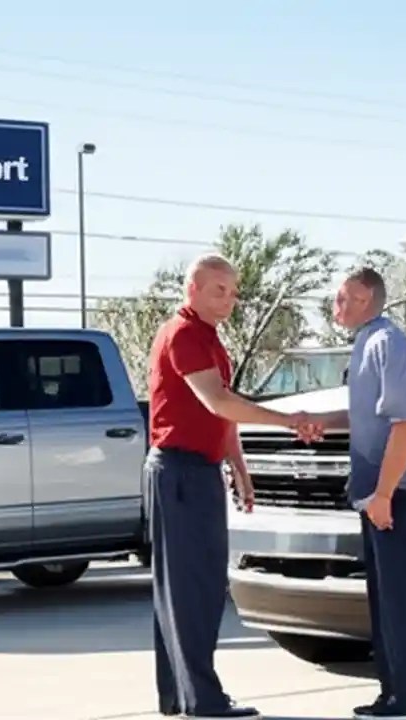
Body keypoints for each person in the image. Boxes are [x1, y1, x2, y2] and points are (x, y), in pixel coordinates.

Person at [145, 252, 319, 719]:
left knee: (194, 587)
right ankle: (202, 700)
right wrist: (288, 420)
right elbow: (218, 400)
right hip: (178, 471)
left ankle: (184, 697)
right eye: (220, 289)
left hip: (197, 471)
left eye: (234, 290)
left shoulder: (208, 337)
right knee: (191, 589)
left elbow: (218, 412)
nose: (231, 298)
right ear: (193, 290)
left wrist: (238, 465)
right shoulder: (183, 334)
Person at [306, 267, 406, 720]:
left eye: (342, 298)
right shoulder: (367, 343)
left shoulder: (390, 345)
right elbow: (371, 415)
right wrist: (320, 421)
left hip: (401, 490)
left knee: (400, 597)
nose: (335, 306)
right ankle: (393, 694)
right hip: (378, 493)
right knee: (384, 598)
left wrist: (384, 493)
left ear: (366, 298)